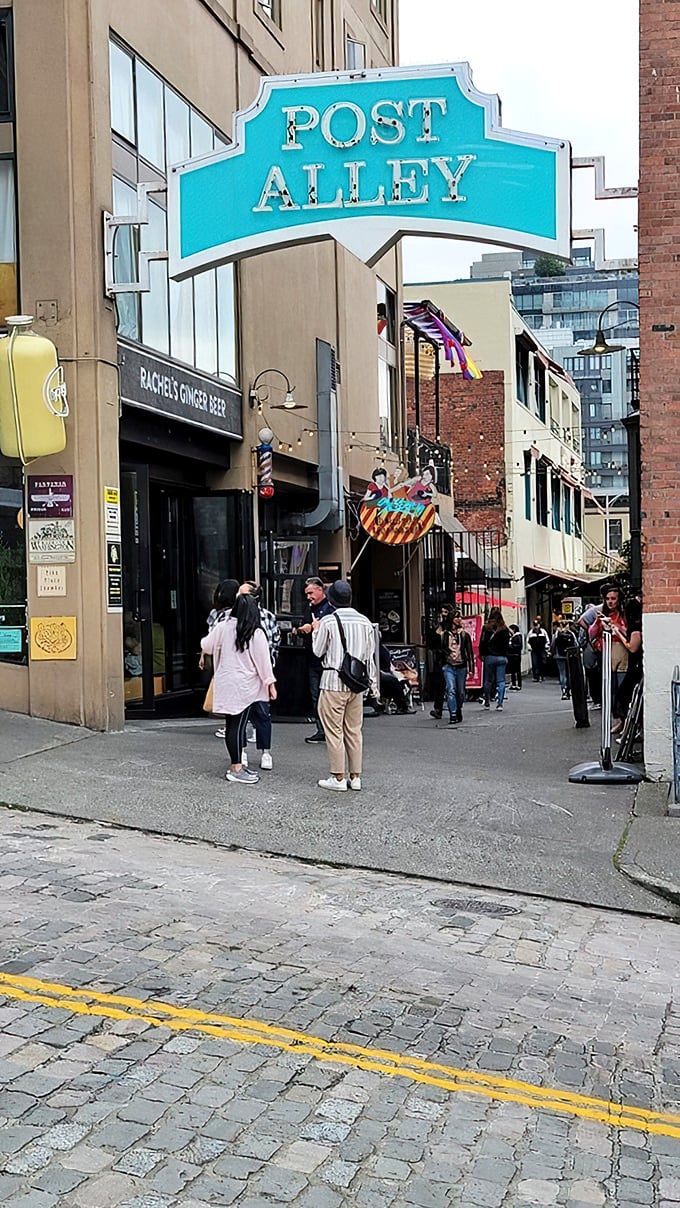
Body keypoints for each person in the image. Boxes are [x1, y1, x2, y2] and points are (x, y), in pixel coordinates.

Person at [200, 592, 276, 784]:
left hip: (226, 684)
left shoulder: (223, 627)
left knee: (231, 726)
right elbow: (263, 663)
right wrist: (270, 684)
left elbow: (206, 645)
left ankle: (237, 765)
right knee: (239, 726)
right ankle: (236, 769)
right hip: (245, 687)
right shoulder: (255, 633)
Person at [311, 580, 378, 792]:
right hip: (356, 684)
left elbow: (318, 650)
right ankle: (355, 776)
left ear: (331, 599)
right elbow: (370, 659)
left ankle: (338, 777)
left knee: (334, 731)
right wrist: (374, 687)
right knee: (354, 730)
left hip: (332, 681)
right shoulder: (365, 622)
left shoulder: (329, 622)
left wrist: (315, 630)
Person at [238, 580, 281, 770]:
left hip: (256, 674)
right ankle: (245, 752)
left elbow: (273, 645)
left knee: (258, 714)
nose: (239, 598)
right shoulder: (234, 617)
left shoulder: (266, 617)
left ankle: (263, 752)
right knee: (246, 715)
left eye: (243, 594)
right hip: (250, 674)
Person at [293, 577, 335, 743]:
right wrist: (300, 629)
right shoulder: (309, 608)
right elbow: (306, 625)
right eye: (306, 594)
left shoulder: (330, 609)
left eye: (311, 592)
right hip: (312, 658)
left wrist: (309, 628)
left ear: (320, 590)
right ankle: (321, 729)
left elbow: (315, 627)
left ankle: (332, 730)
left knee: (330, 697)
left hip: (327, 660)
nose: (309, 596)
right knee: (315, 696)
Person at [202, 580, 240, 741]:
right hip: (239, 658)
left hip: (222, 658)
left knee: (226, 690)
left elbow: (210, 639)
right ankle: (243, 727)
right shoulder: (243, 613)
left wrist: (203, 654)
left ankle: (230, 725)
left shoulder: (216, 615)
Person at [588, 586, 629, 732]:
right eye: (608, 599)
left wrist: (615, 626)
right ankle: (619, 720)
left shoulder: (624, 614)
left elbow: (628, 632)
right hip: (607, 653)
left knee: (622, 689)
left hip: (621, 651)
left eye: (613, 598)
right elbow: (591, 633)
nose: (610, 602)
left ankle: (625, 721)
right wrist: (598, 623)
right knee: (611, 690)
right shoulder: (602, 613)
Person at [441, 612, 475, 724]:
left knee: (460, 692)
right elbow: (440, 649)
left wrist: (471, 668)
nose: (459, 619)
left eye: (460, 617)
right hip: (449, 665)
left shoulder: (465, 635)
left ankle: (458, 708)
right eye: (456, 617)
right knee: (450, 689)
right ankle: (453, 714)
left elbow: (469, 652)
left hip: (461, 666)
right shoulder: (445, 634)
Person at [616, 598, 643, 735]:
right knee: (625, 693)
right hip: (636, 665)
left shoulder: (635, 629)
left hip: (635, 666)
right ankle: (626, 723)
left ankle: (630, 725)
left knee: (624, 693)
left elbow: (632, 647)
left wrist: (618, 634)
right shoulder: (637, 625)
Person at [479, 607, 510, 710]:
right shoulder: (504, 628)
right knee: (501, 681)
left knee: (488, 680)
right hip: (502, 657)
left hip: (490, 657)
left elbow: (482, 643)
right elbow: (507, 645)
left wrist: (482, 654)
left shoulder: (486, 628)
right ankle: (500, 703)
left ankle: (487, 701)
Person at [428, 603, 454, 719]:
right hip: (440, 659)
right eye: (442, 612)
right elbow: (432, 643)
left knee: (451, 686)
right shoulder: (438, 627)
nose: (443, 615)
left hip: (451, 659)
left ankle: (454, 708)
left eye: (446, 612)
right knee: (440, 685)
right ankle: (438, 709)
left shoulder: (452, 628)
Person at [378, 640, 415, 714]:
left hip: (386, 671)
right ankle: (402, 706)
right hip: (378, 673)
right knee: (393, 682)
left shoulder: (381, 647)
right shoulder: (375, 648)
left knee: (402, 681)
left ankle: (404, 705)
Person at [551, 618, 577, 699]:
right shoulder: (571, 634)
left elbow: (553, 644)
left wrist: (552, 653)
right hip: (569, 655)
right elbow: (576, 644)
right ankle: (570, 690)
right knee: (570, 673)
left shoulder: (557, 634)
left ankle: (564, 690)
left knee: (562, 673)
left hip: (559, 655)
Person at [507, 624, 523, 690]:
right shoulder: (512, 636)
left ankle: (519, 684)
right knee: (512, 671)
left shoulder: (518, 636)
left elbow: (519, 646)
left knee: (517, 670)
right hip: (511, 655)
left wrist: (510, 646)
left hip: (516, 655)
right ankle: (513, 684)